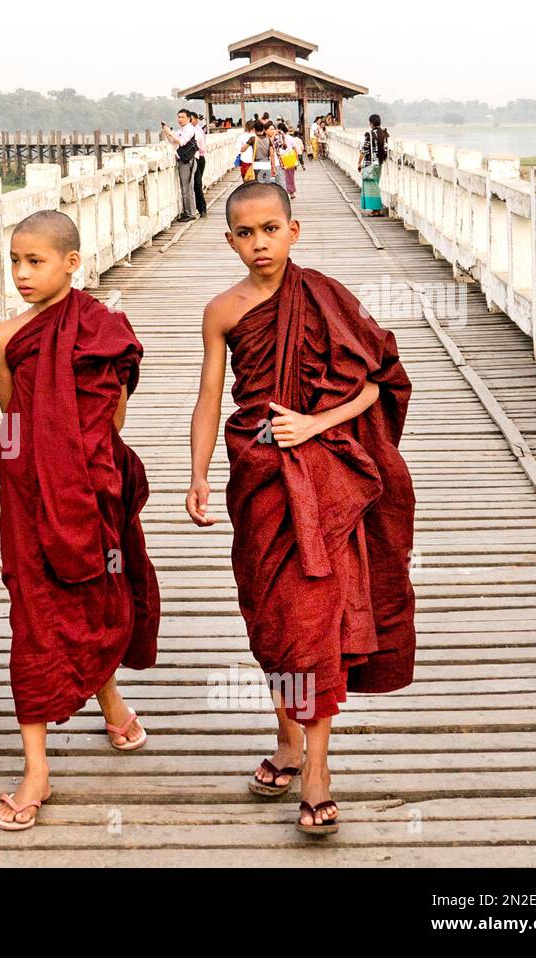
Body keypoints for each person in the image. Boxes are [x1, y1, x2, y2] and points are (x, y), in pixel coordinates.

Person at [185, 181, 416, 836]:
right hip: (257, 472)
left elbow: (376, 383)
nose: (259, 243)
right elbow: (208, 396)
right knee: (273, 613)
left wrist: (318, 426)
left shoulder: (326, 296)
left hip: (324, 475)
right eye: (245, 233)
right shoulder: (222, 311)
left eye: (270, 229)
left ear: (294, 229)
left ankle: (316, 768)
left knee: (315, 617)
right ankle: (288, 742)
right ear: (229, 239)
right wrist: (198, 474)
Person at [0, 210, 160, 831]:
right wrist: (41, 473)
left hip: (91, 492)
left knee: (95, 598)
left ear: (71, 262)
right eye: (15, 261)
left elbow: (110, 422)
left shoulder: (105, 332)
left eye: (36, 261)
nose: (23, 274)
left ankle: (110, 702)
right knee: (34, 617)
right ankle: (36, 770)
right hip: (32, 499)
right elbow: (16, 421)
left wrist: (83, 478)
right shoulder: (6, 338)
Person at [161, 108, 199, 221]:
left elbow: (181, 142)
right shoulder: (182, 130)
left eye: (182, 117)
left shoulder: (189, 129)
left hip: (188, 161)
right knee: (184, 187)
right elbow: (172, 140)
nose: (180, 119)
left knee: (188, 187)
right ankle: (187, 211)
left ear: (189, 118)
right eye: (178, 117)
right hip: (183, 160)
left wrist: (170, 133)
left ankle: (191, 213)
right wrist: (166, 131)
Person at [359, 113, 389, 216]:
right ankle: (376, 209)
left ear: (371, 123)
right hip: (379, 164)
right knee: (375, 184)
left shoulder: (369, 135)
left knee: (371, 187)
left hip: (370, 164)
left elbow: (364, 150)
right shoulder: (384, 134)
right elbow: (385, 149)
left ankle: (376, 209)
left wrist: (359, 163)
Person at [191, 111, 208, 217]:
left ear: (196, 119)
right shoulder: (195, 130)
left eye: (191, 119)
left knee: (197, 184)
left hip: (199, 158)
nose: (190, 121)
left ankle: (202, 208)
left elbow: (201, 146)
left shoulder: (197, 130)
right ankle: (199, 207)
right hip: (198, 158)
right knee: (195, 184)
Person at [279, 122, 302, 199]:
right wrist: (296, 160)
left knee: (281, 176)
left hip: (280, 158)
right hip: (289, 158)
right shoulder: (291, 138)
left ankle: (283, 192)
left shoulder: (278, 138)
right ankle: (291, 192)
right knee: (290, 176)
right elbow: (295, 149)